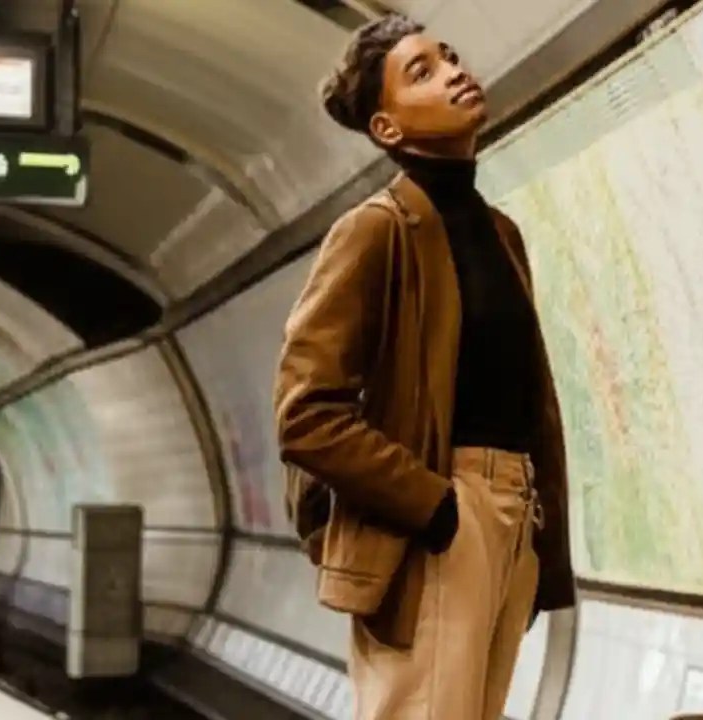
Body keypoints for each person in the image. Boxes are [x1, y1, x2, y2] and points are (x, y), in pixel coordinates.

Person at [273, 12, 576, 720]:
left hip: (513, 516)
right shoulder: (376, 230)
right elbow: (306, 414)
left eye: (451, 57)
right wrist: (436, 507)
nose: (454, 72)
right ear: (388, 129)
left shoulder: (500, 233)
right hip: (442, 518)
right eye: (423, 72)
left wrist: (534, 535)